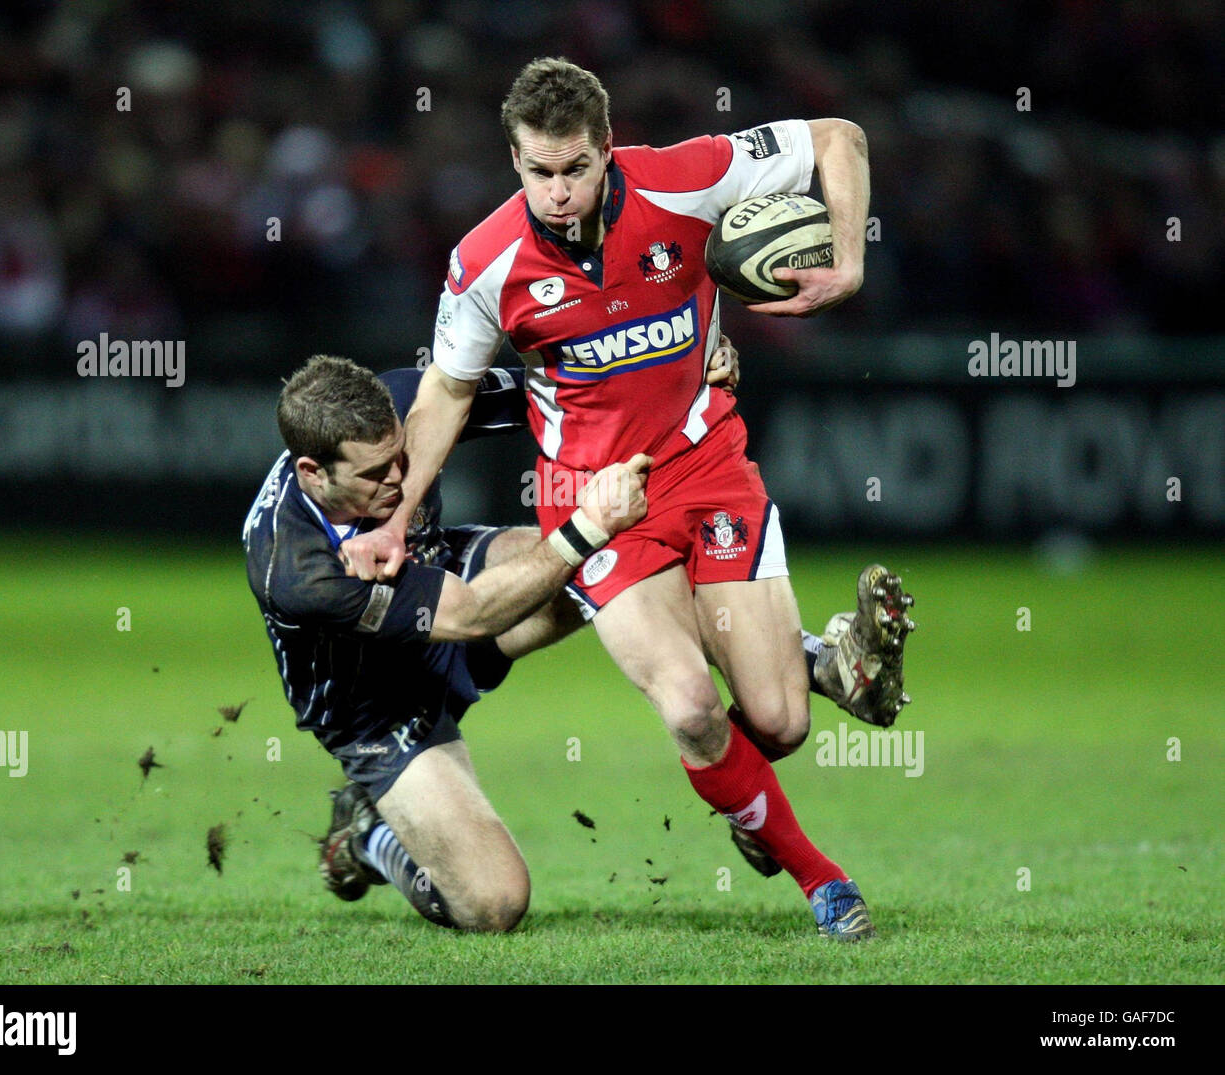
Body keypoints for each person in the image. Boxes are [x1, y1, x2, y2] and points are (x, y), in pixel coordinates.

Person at [341, 58, 915, 940]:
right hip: (598, 500)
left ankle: (778, 735)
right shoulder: (485, 262)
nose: (559, 191)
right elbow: (443, 396)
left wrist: (847, 260)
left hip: (710, 461)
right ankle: (821, 878)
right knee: (689, 702)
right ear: (514, 159)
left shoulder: (684, 180)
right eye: (540, 172)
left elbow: (841, 140)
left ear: (607, 148)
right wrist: (391, 519)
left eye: (576, 168)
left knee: (780, 722)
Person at [243, 354, 659, 931]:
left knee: (610, 564)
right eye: (374, 474)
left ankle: (802, 662)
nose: (397, 481)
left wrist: (680, 371)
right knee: (494, 906)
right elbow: (470, 616)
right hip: (374, 707)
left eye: (401, 459)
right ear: (313, 472)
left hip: (441, 573)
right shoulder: (297, 570)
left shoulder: (410, 400)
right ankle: (369, 835)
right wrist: (587, 527)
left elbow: (556, 388)